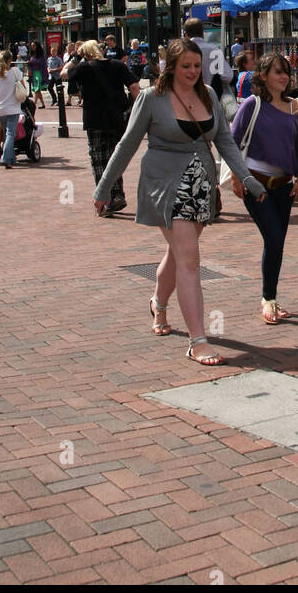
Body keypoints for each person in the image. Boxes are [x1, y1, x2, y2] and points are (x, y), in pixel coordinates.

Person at [93, 37, 266, 365]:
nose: (192, 72)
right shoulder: (151, 98)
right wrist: (103, 189)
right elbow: (126, 144)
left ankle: (158, 302)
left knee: (178, 253)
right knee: (189, 257)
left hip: (200, 184)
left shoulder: (209, 95)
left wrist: (246, 177)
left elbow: (226, 141)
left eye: (197, 66)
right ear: (169, 66)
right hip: (164, 184)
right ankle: (197, 341)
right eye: (185, 66)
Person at [230, 54, 298, 325]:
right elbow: (232, 141)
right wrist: (239, 177)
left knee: (277, 243)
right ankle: (267, 299)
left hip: (284, 185)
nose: (283, 77)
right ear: (263, 76)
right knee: (273, 237)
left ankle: (271, 297)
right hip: (255, 182)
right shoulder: (253, 104)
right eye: (277, 72)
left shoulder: (293, 106)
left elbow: (297, 144)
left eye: (285, 72)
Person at [65, 39, 141, 214]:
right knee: (115, 157)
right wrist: (136, 110)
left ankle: (105, 199)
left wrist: (76, 58)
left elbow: (64, 73)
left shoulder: (83, 67)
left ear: (85, 54)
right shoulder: (117, 65)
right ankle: (118, 194)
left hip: (94, 119)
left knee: (99, 159)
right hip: (116, 118)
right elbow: (135, 86)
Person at [0, 49, 23, 169]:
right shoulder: (15, 71)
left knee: (5, 134)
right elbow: (22, 86)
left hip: (0, 107)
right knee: (10, 134)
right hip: (13, 107)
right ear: (10, 60)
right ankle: (6, 157)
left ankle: (12, 158)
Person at [183, 18, 224, 101]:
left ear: (185, 34)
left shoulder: (181, 52)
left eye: (197, 65)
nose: (194, 71)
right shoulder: (214, 50)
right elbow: (227, 75)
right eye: (187, 66)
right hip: (210, 99)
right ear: (202, 32)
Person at [26, 42, 49, 109]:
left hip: (39, 73)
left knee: (37, 89)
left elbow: (43, 66)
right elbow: (29, 63)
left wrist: (44, 76)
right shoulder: (31, 55)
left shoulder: (41, 56)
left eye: (33, 45)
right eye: (31, 45)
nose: (32, 47)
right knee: (37, 90)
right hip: (34, 73)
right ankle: (43, 104)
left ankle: (34, 104)